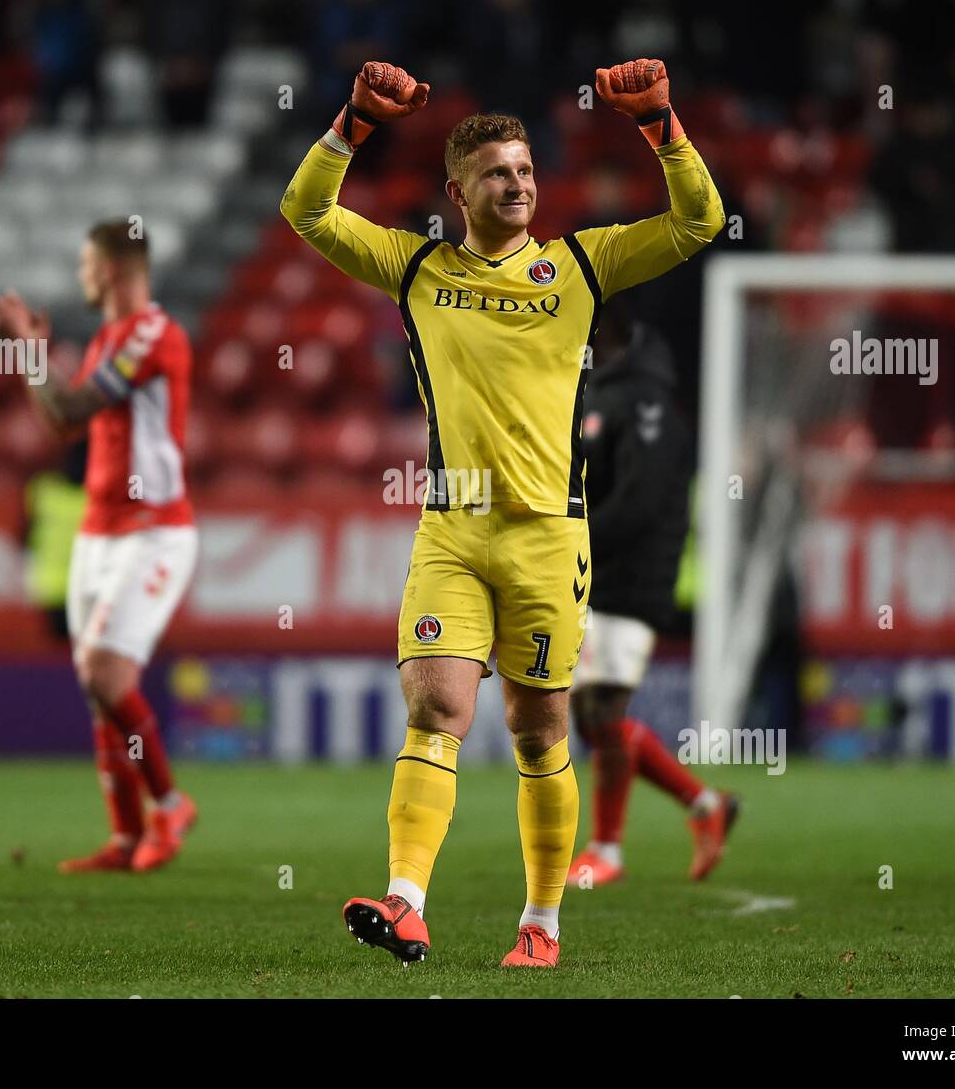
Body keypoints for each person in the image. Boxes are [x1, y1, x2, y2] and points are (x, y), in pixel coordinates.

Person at [281, 58, 724, 966]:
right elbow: (306, 211)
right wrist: (353, 124)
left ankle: (543, 922)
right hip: (452, 525)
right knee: (436, 705)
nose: (517, 183)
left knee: (537, 729)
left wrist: (661, 125)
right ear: (458, 190)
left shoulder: (582, 267)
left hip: (549, 534)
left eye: (525, 170)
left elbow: (699, 220)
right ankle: (407, 900)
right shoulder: (417, 269)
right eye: (498, 173)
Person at [0, 220, 198, 874]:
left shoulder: (154, 334)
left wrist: (28, 345)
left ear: (110, 269)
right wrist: (28, 352)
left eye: (84, 263)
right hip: (97, 532)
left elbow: (71, 408)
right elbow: (58, 422)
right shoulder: (107, 338)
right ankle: (127, 837)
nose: (79, 275)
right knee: (98, 689)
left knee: (105, 672)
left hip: (153, 528)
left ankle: (171, 802)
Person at [567, 297, 738, 889]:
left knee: (603, 710)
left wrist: (574, 538)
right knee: (590, 717)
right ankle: (704, 804)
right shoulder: (607, 396)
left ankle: (607, 850)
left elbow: (640, 504)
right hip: (599, 574)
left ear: (607, 335)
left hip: (632, 576)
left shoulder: (648, 404)